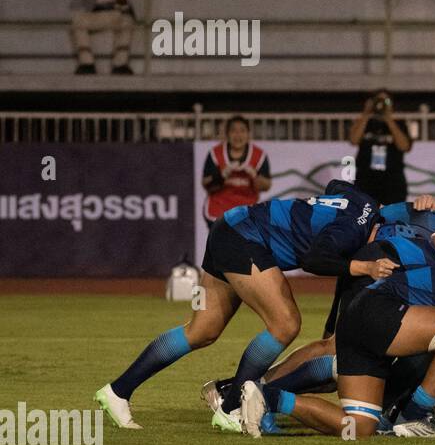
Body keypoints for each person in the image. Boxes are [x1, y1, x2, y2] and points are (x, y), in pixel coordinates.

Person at [95, 181, 397, 432]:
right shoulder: (350, 233)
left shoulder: (365, 201)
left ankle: (118, 390)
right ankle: (231, 407)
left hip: (229, 226)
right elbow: (313, 261)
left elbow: (335, 186)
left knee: (202, 330)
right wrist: (364, 267)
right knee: (285, 323)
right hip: (245, 239)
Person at [239, 230, 435, 439]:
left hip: (364, 316)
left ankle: (267, 397)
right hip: (379, 309)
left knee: (361, 427)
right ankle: (411, 418)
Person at [201, 116, 272, 228]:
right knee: (222, 243)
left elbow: (266, 186)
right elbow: (207, 185)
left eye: (242, 131)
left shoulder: (259, 156)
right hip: (219, 210)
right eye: (234, 131)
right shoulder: (215, 154)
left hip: (246, 211)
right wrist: (221, 176)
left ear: (248, 134)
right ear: (227, 134)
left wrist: (254, 176)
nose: (238, 135)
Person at [348, 90, 414, 205]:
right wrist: (366, 113)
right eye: (378, 101)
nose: (381, 104)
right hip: (366, 178)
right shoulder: (366, 123)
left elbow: (404, 146)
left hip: (392, 180)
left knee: (392, 215)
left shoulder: (399, 124)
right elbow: (354, 140)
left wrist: (388, 118)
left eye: (385, 101)